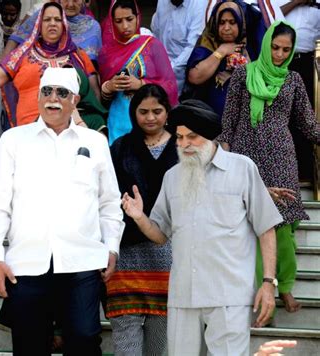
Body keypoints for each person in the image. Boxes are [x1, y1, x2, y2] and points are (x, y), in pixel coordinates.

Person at [0, 67, 124, 356]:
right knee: (30, 345)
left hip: (82, 261)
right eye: (46, 91)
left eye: (61, 92)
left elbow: (108, 202)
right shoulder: (13, 140)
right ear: (38, 96)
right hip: (27, 263)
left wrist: (112, 247)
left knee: (84, 339)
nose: (52, 99)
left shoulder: (94, 142)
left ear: (75, 99)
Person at [122, 99, 282, 355]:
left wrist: (268, 283)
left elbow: (266, 227)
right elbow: (161, 234)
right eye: (179, 137)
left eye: (192, 137)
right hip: (184, 295)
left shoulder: (242, 168)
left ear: (209, 137)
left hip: (229, 296)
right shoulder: (172, 177)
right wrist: (139, 217)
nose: (184, 144)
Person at [218, 21, 320, 314]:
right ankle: (257, 291)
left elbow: (308, 125)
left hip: (281, 158)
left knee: (283, 226)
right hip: (246, 157)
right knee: (250, 225)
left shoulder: (293, 81)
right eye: (275, 48)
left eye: (286, 50)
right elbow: (229, 122)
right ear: (266, 45)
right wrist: (226, 161)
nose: (278, 55)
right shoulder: (242, 75)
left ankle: (284, 286)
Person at [0, 2, 98, 128]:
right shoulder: (23, 54)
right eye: (47, 19)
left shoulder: (78, 55)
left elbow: (93, 95)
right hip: (28, 131)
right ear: (38, 25)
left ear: (64, 25)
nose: (52, 23)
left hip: (68, 133)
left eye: (57, 20)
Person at [105, 84, 178, 355]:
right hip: (126, 253)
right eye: (143, 111)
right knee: (126, 332)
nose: (150, 118)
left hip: (169, 251)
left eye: (157, 111)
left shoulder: (183, 147)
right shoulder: (121, 147)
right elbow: (106, 193)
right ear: (134, 113)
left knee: (162, 333)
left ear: (167, 112)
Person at [98, 0, 178, 145]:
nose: (125, 26)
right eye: (118, 21)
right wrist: (109, 87)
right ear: (111, 22)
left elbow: (171, 85)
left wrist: (141, 84)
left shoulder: (152, 45)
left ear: (137, 18)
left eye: (129, 19)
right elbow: (103, 100)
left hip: (152, 116)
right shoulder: (105, 53)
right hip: (119, 120)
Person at [186, 0, 266, 116]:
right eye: (222, 23)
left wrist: (245, 66)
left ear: (241, 23)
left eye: (232, 22)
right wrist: (221, 51)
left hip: (245, 120)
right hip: (210, 120)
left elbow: (262, 85)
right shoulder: (207, 46)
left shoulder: (253, 46)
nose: (226, 28)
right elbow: (194, 77)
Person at [276, 0, 320, 181]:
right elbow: (271, 18)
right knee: (282, 116)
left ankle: (308, 173)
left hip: (310, 63)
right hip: (281, 61)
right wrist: (298, 2)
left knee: (307, 117)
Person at [0, 0, 102, 66]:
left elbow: (92, 66)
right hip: (41, 74)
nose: (70, 4)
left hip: (76, 80)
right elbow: (17, 37)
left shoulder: (92, 26)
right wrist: (3, 61)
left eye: (76, 0)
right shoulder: (43, 15)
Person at [151, 0, 209, 96]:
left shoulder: (199, 4)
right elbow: (156, 32)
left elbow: (191, 46)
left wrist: (168, 70)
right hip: (159, 71)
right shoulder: (162, 2)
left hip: (183, 78)